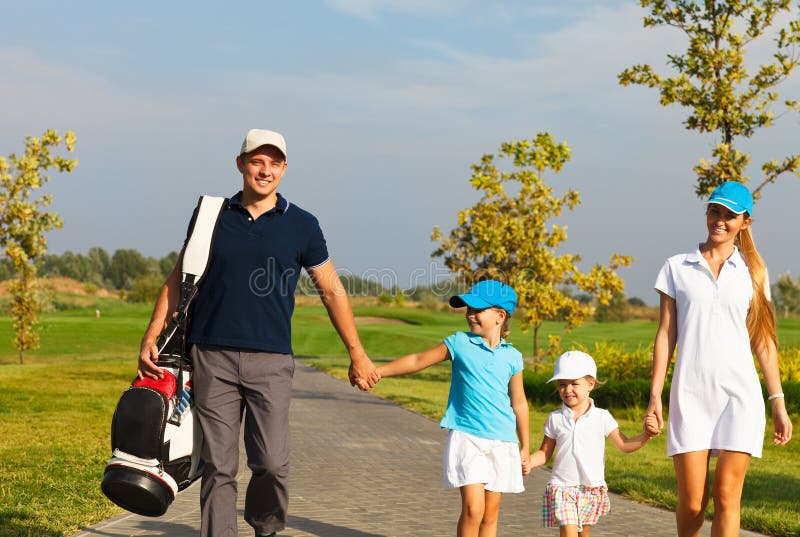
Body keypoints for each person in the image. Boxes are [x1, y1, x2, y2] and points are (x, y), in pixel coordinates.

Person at [137, 128, 380, 537]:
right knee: (219, 465)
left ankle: (266, 527)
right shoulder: (211, 216)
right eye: (256, 161)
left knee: (271, 463)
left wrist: (357, 352)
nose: (265, 170)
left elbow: (332, 290)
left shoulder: (302, 225)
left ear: (284, 169)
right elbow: (179, 277)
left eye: (274, 163)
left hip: (271, 361)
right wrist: (152, 334)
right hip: (211, 355)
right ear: (240, 164)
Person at [645, 180, 793, 537]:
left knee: (727, 496)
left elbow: (763, 340)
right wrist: (655, 395)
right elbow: (666, 334)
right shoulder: (677, 267)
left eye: (730, 215)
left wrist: (777, 401)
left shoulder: (754, 273)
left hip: (739, 398)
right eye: (715, 211)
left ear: (745, 222)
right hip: (690, 396)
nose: (720, 221)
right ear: (707, 213)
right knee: (692, 504)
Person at [375, 280, 529, 537]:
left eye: (477, 310)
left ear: (500, 316)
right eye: (468, 309)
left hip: (503, 440)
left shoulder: (513, 356)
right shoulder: (459, 343)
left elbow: (519, 402)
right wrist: (377, 372)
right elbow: (418, 360)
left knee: (490, 515)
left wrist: (525, 446)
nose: (470, 314)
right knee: (473, 510)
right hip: (468, 436)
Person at [526, 350, 655, 537]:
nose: (567, 389)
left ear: (590, 384)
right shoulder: (555, 418)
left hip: (591, 488)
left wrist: (646, 435)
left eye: (574, 383)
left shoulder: (602, 417)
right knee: (569, 532)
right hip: (562, 487)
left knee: (583, 534)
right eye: (562, 384)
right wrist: (529, 462)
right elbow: (545, 453)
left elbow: (624, 444)